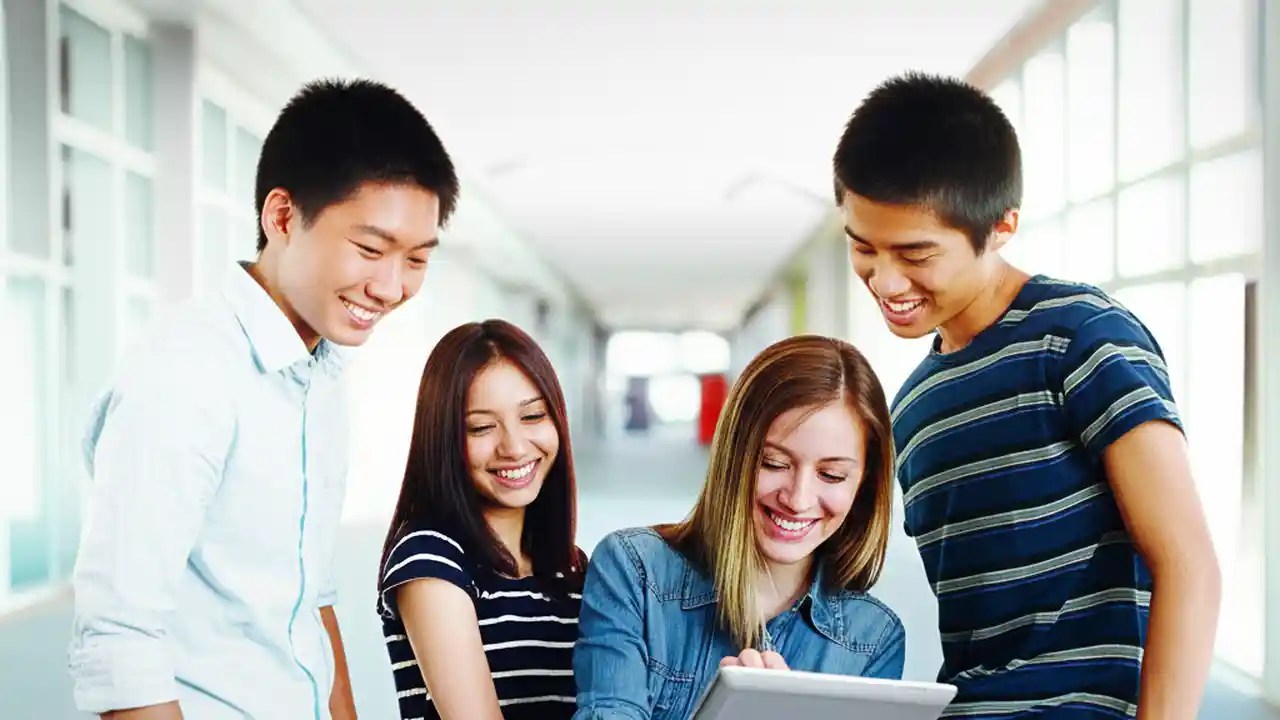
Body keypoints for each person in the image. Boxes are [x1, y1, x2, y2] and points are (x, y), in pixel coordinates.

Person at [68, 78, 459, 720]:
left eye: (416, 259)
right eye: (370, 249)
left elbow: (310, 597)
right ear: (281, 217)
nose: (391, 286)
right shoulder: (187, 373)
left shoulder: (322, 370)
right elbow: (118, 641)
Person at [833, 71, 1221, 718]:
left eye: (916, 253)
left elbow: (1189, 565)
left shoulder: (1081, 337)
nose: (885, 278)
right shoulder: (914, 405)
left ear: (1002, 226)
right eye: (862, 246)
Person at [573, 335, 905, 720]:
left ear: (863, 484)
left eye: (831, 475)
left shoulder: (873, 639)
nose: (798, 499)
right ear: (735, 456)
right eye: (774, 463)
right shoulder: (635, 570)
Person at [377, 320, 585, 720]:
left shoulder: (571, 567)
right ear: (444, 438)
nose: (514, 447)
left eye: (532, 416)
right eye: (481, 427)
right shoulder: (430, 559)